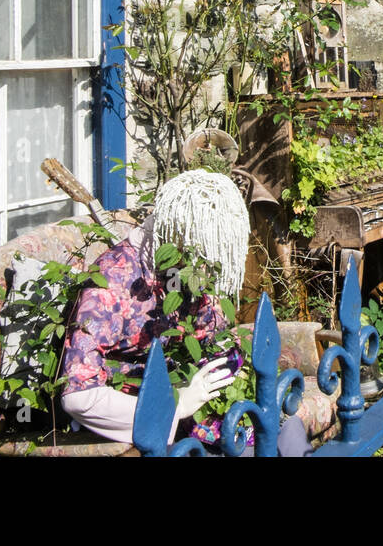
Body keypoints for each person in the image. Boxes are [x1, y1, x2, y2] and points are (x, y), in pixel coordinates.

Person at [59, 170, 311, 455]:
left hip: (202, 400)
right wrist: (177, 405)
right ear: (180, 235)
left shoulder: (187, 270)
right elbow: (78, 395)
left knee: (286, 429)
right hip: (156, 415)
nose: (210, 265)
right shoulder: (113, 283)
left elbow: (213, 330)